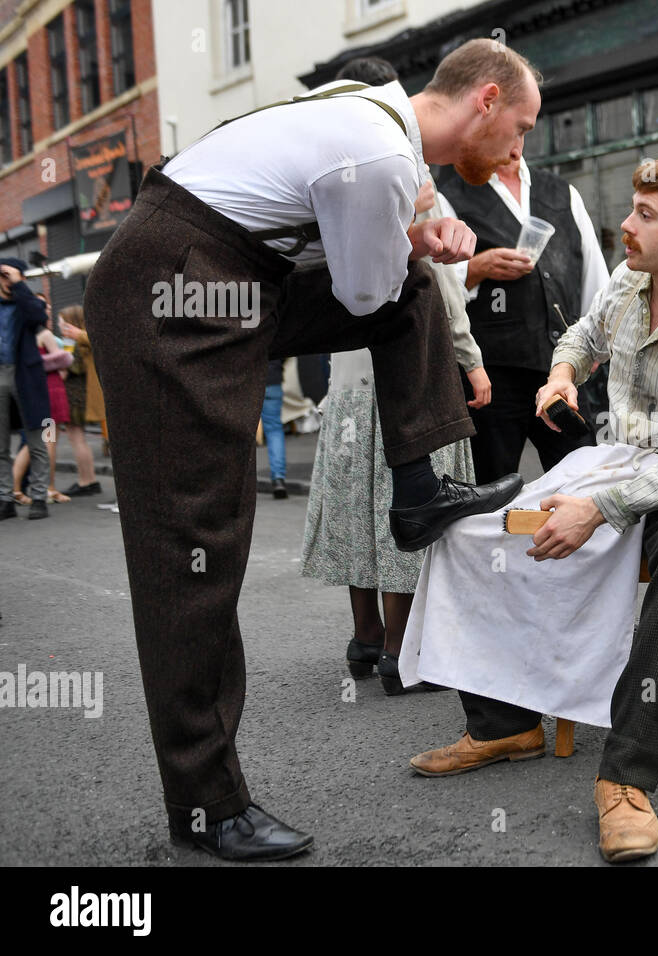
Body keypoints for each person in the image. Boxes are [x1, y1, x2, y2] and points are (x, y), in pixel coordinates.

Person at [81, 38, 539, 861]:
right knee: (192, 551)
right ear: (487, 99)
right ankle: (206, 806)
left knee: (407, 290)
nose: (519, 148)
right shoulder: (378, 150)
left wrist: (416, 242)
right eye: (521, 126)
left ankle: (417, 488)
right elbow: (359, 291)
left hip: (228, 277)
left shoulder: (379, 128)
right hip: (170, 288)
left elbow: (377, 279)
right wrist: (422, 241)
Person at [405, 157, 658, 863]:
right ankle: (504, 721)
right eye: (631, 209)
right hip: (618, 457)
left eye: (646, 216)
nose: (626, 226)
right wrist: (563, 375)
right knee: (472, 530)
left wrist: (599, 509)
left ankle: (626, 780)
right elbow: (580, 337)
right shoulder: (629, 285)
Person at [302, 53, 483, 697]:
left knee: (358, 510)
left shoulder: (327, 176)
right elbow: (435, 288)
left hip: (347, 383)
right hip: (408, 373)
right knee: (408, 508)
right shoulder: (407, 172)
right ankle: (402, 653)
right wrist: (470, 360)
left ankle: (365, 639)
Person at [437, 151, 609, 481]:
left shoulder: (561, 192)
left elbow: (593, 271)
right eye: (508, 128)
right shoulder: (449, 193)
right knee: (491, 485)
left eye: (522, 130)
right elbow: (439, 287)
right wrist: (476, 269)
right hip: (490, 374)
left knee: (582, 477)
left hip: (559, 367)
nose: (515, 142)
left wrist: (595, 341)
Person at [0, 257, 51, 521]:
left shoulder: (27, 304)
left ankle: (39, 497)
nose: (7, 280)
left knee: (36, 441)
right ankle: (5, 499)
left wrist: (20, 286)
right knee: (0, 446)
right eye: (4, 276)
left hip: (25, 377)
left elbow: (38, 318)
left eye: (12, 275)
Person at [12, 296, 72, 504]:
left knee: (34, 440)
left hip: (32, 389)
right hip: (50, 389)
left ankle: (16, 488)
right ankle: (49, 487)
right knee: (48, 440)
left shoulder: (20, 335)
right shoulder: (45, 334)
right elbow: (63, 361)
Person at [55, 306, 104, 497]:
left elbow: (69, 367)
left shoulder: (75, 342)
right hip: (81, 395)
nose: (60, 325)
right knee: (78, 438)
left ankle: (86, 480)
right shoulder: (83, 340)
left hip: (74, 397)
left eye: (62, 321)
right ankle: (88, 479)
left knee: (76, 438)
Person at [261, 360, 288, 498]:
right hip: (273, 379)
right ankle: (278, 479)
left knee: (242, 432)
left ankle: (239, 482)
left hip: (248, 379)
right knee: (274, 430)